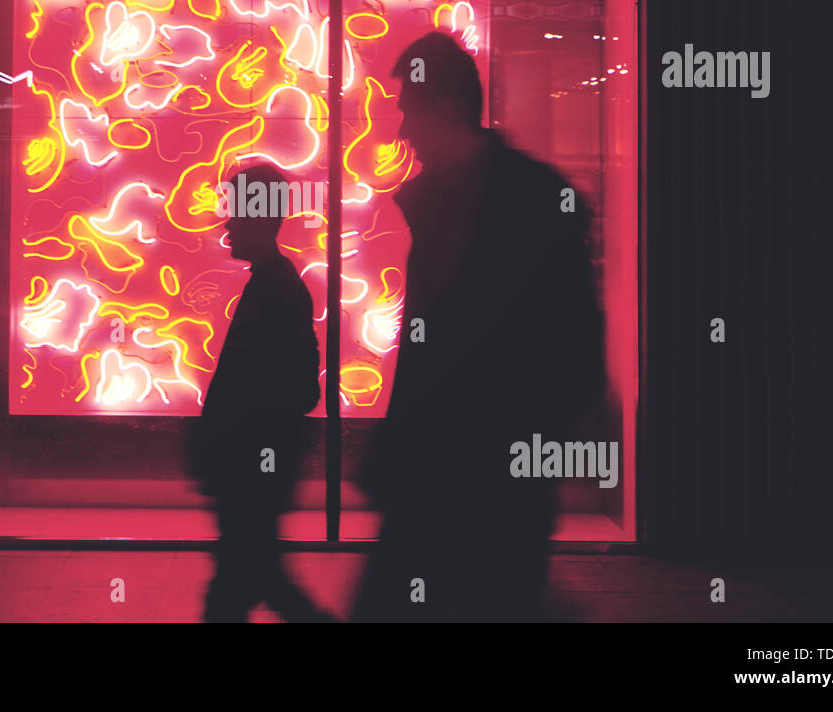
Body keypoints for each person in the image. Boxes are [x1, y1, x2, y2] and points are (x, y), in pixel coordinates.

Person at [351, 31, 608, 622]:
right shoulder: (513, 200)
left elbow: (567, 355)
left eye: (408, 113)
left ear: (442, 109)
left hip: (469, 490)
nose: (401, 133)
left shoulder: (520, 206)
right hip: (468, 486)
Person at [189, 163, 335, 622]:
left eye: (234, 210)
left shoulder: (275, 289)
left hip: (248, 470)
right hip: (254, 469)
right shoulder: (277, 284)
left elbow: (283, 386)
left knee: (243, 585)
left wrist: (234, 446)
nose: (226, 222)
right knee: (257, 580)